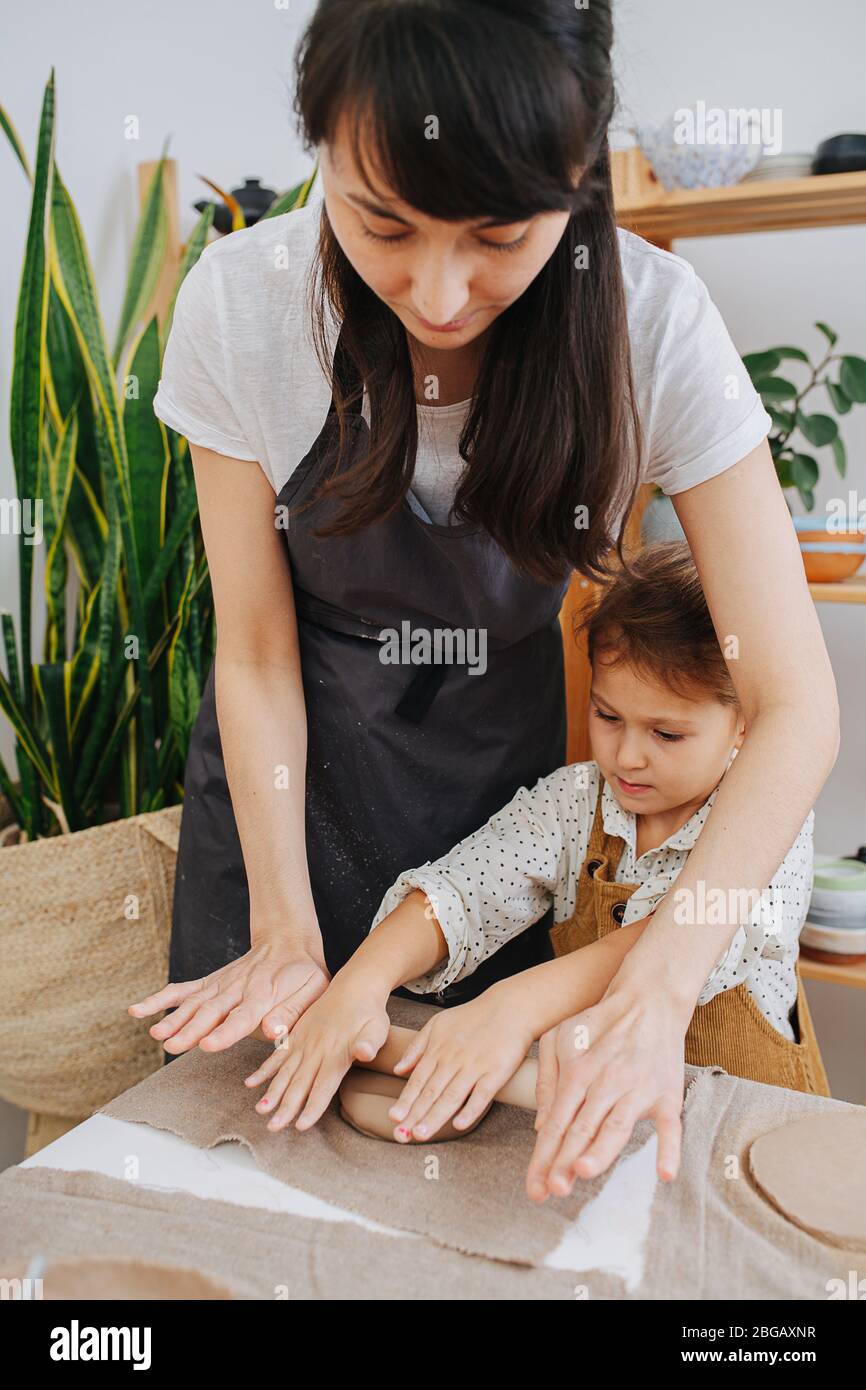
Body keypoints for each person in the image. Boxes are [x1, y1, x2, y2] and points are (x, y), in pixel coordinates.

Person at [130, 0, 839, 1183]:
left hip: (490, 805)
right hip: (280, 814)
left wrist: (658, 984)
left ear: (577, 176)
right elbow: (252, 654)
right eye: (383, 224)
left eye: (499, 235)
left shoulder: (651, 324)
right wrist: (288, 932)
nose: (441, 294)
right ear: (318, 147)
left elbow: (791, 702)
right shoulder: (240, 305)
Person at [236, 543, 831, 1202]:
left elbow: (685, 935)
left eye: (667, 735)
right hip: (608, 1158)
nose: (627, 755)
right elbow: (466, 887)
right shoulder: (577, 801)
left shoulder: (773, 822)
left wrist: (512, 1008)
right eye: (608, 716)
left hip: (746, 1152)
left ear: (746, 722)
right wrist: (362, 981)